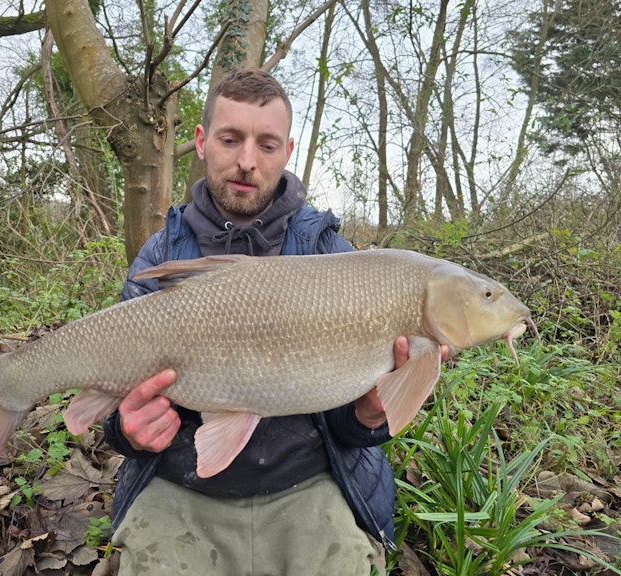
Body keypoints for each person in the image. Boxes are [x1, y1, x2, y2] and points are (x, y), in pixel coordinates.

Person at [103, 68, 443, 575]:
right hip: (182, 486)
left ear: (287, 151)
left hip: (308, 486)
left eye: (266, 145)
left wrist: (370, 415)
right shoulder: (163, 253)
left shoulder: (332, 255)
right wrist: (129, 431)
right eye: (230, 139)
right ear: (201, 141)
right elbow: (114, 408)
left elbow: (351, 431)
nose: (247, 161)